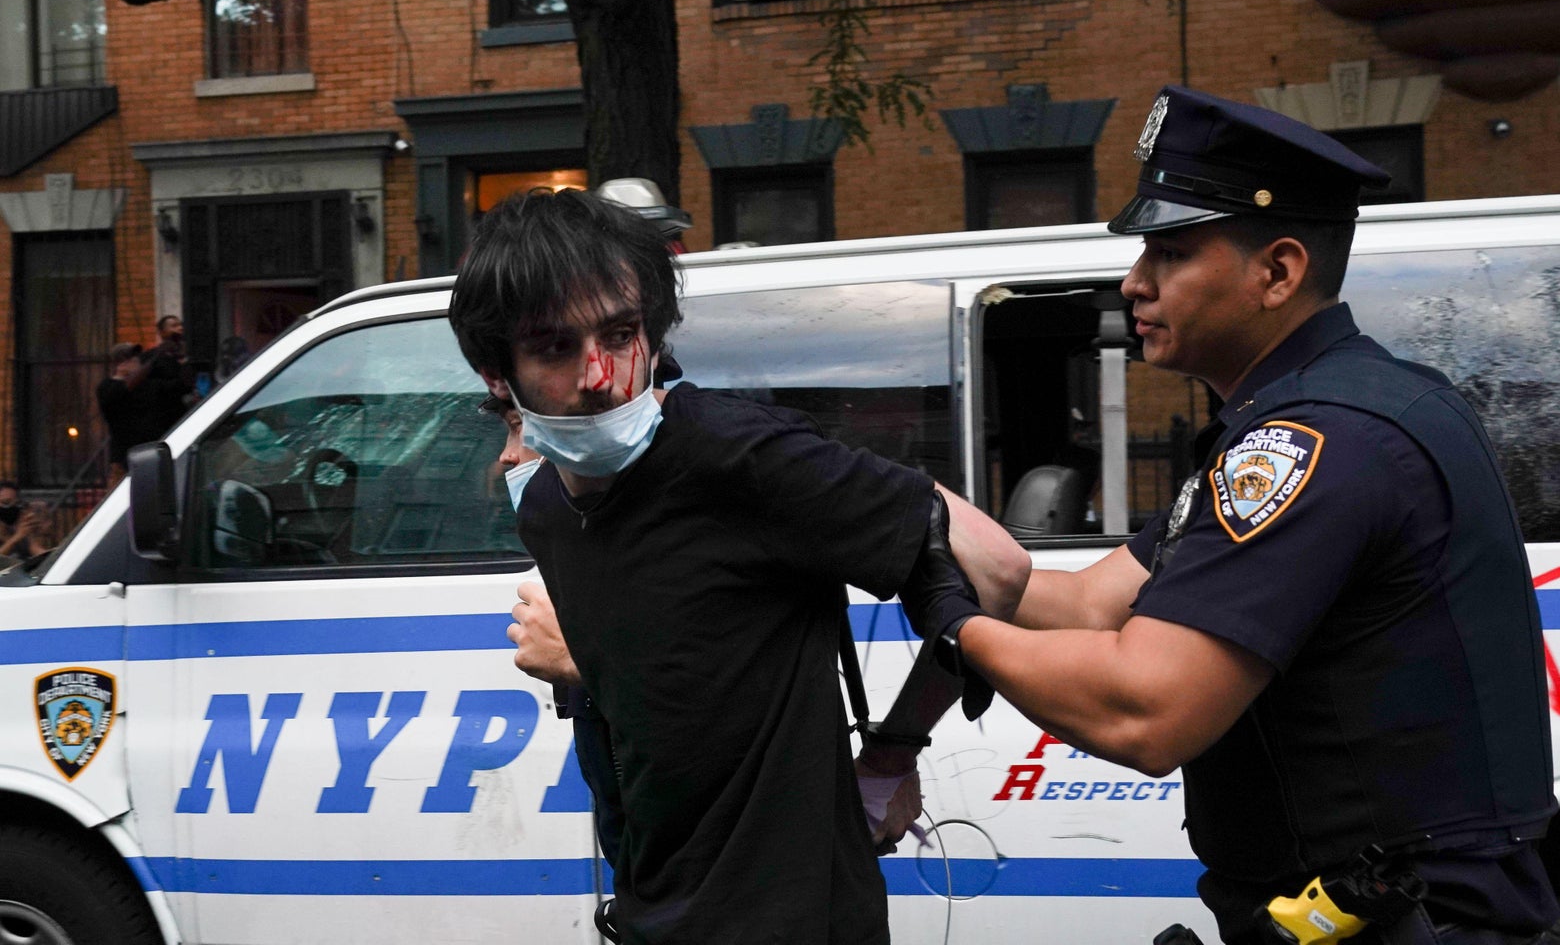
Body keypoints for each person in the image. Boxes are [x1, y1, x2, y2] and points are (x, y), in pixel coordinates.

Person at [918, 85, 1560, 943]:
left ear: (1279, 271)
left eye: (1171, 251)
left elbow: (1146, 712)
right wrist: (898, 508)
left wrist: (959, 629)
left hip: (1404, 919)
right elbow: (1083, 603)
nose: (1134, 280)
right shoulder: (1345, 408)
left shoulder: (1316, 441)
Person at [448, 188, 1030, 944]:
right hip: (660, 909)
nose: (600, 374)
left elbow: (998, 570)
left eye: (622, 333)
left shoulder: (734, 453)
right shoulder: (547, 508)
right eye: (556, 347)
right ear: (499, 375)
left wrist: (893, 752)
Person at [480, 390, 627, 870]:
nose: (506, 454)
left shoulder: (646, 557)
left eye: (519, 427)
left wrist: (580, 660)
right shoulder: (586, 555)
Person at [96, 342, 155, 488]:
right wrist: (124, 377)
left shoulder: (145, 385)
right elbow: (112, 400)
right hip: (123, 458)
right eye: (131, 360)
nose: (136, 362)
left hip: (148, 452)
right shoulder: (107, 387)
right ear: (120, 364)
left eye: (136, 359)